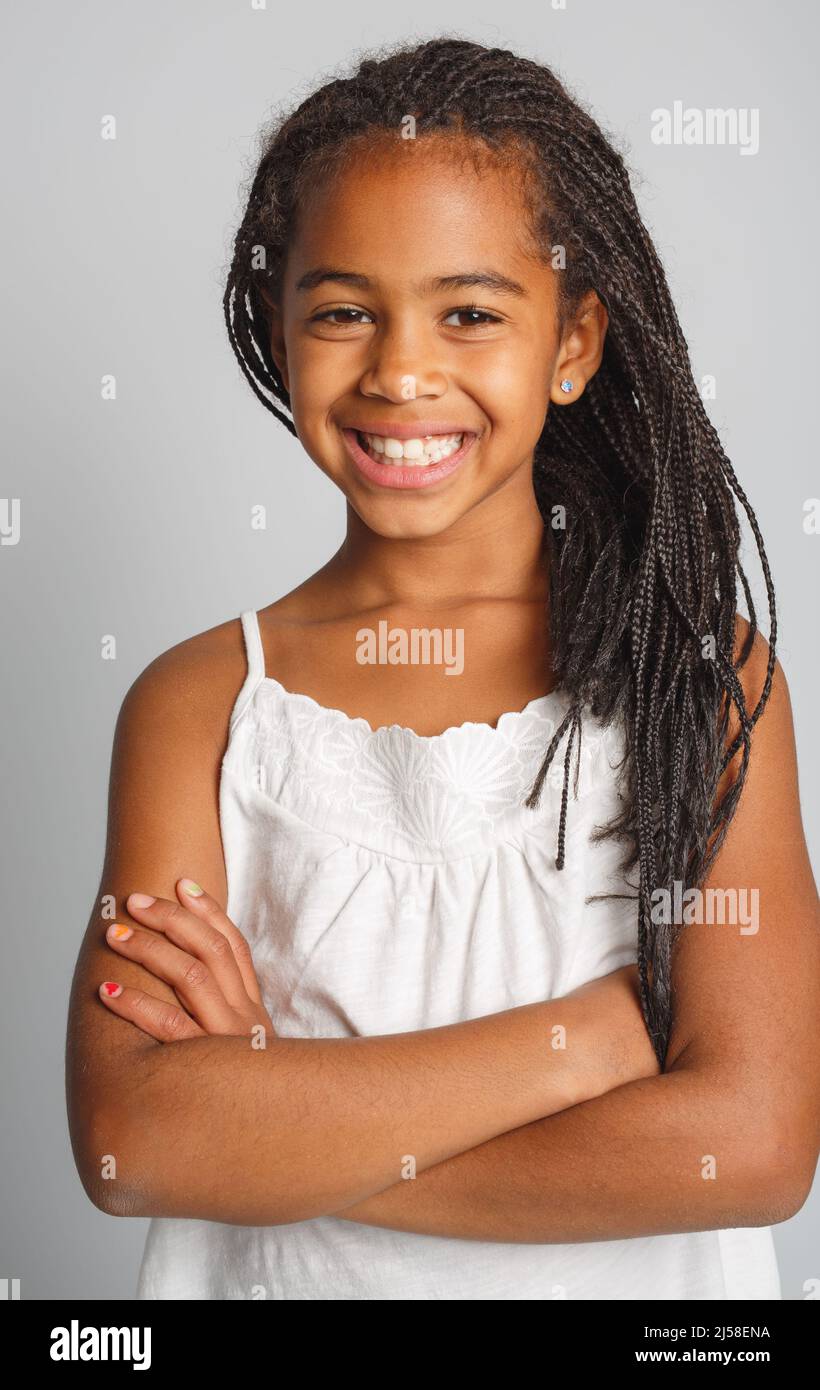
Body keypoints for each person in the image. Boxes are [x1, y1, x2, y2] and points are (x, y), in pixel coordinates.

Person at [66, 36, 819, 1300]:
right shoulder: (201, 708)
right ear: (277, 319)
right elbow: (132, 1143)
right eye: (345, 309)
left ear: (573, 340)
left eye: (470, 312)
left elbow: (749, 1144)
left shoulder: (696, 680)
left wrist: (271, 1124)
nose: (401, 371)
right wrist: (590, 1040)